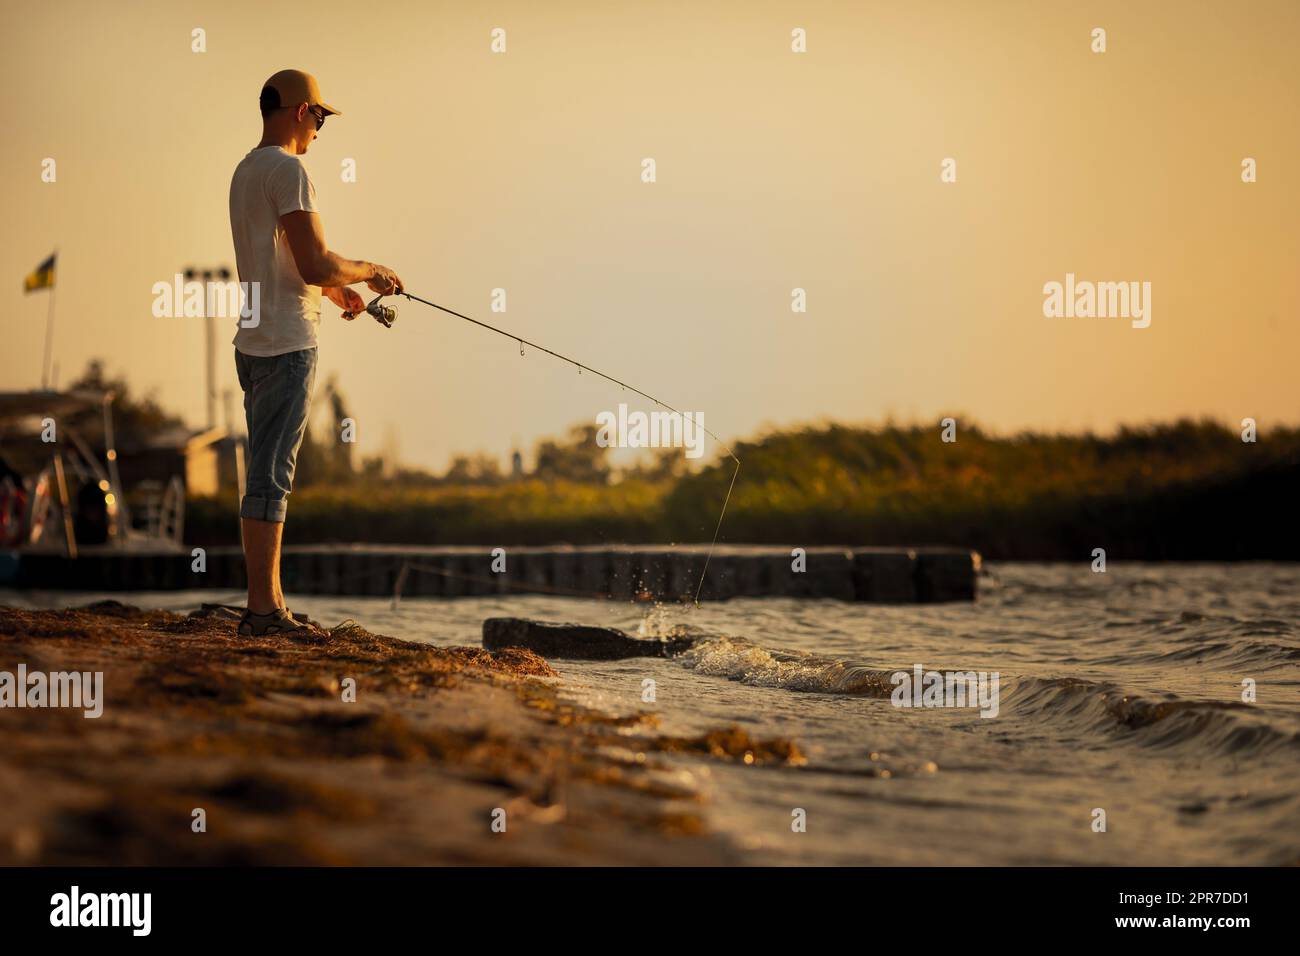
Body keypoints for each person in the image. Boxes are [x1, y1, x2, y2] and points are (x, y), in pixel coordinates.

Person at [228, 69, 403, 636]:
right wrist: (371, 271)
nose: (323, 129)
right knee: (271, 478)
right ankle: (262, 612)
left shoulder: (246, 170)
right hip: (286, 344)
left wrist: (334, 292)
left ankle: (270, 603)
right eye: (322, 117)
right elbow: (314, 261)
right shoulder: (289, 168)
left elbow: (283, 260)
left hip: (254, 344)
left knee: (265, 472)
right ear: (301, 111)